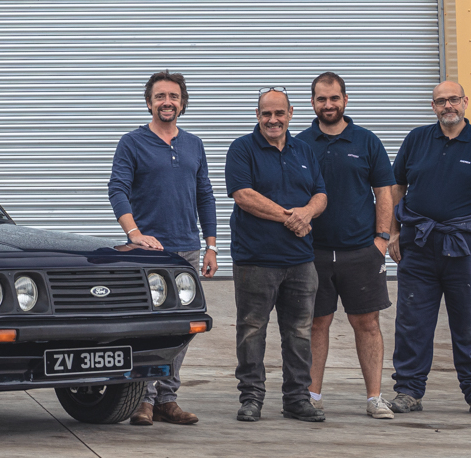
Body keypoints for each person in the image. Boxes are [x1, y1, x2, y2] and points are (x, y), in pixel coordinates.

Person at [387, 81, 471, 416]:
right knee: (412, 323)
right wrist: (392, 232)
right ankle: (408, 390)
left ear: (465, 102)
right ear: (432, 106)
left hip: (468, 250)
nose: (447, 106)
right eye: (440, 101)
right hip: (418, 247)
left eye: (453, 100)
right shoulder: (416, 139)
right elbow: (396, 186)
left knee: (470, 323)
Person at [108, 70, 218, 426]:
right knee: (150, 328)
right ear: (149, 102)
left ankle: (167, 399)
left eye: (173, 96)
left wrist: (211, 246)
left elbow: (205, 195)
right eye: (160, 96)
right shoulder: (132, 143)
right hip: (148, 254)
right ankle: (143, 399)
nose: (166, 102)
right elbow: (117, 190)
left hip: (186, 250)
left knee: (183, 328)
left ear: (182, 103)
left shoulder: (193, 144)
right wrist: (135, 233)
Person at [296, 72, 395, 419]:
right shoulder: (300, 144)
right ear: (312, 103)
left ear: (345, 100)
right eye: (321, 99)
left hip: (360, 252)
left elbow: (384, 192)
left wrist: (382, 240)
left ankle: (374, 399)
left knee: (367, 324)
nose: (328, 105)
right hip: (313, 252)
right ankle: (311, 396)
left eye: (334, 98)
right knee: (316, 324)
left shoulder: (367, 142)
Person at [225, 87, 327, 423]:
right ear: (257, 115)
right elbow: (243, 195)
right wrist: (291, 218)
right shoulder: (242, 149)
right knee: (252, 329)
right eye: (266, 113)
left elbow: (321, 194)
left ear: (291, 114)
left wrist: (308, 213)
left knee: (298, 332)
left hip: (300, 260)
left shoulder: (304, 150)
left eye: (279, 113)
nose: (273, 120)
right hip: (255, 258)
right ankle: (251, 398)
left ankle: (297, 399)